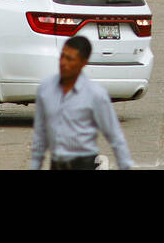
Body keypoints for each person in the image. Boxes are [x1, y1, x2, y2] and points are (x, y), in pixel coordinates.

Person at [30, 35, 135, 170]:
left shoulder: (95, 95)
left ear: (83, 63)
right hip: (56, 164)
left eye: (70, 59)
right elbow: (40, 134)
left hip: (84, 164)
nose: (63, 63)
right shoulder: (45, 90)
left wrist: (125, 166)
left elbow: (114, 135)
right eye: (62, 56)